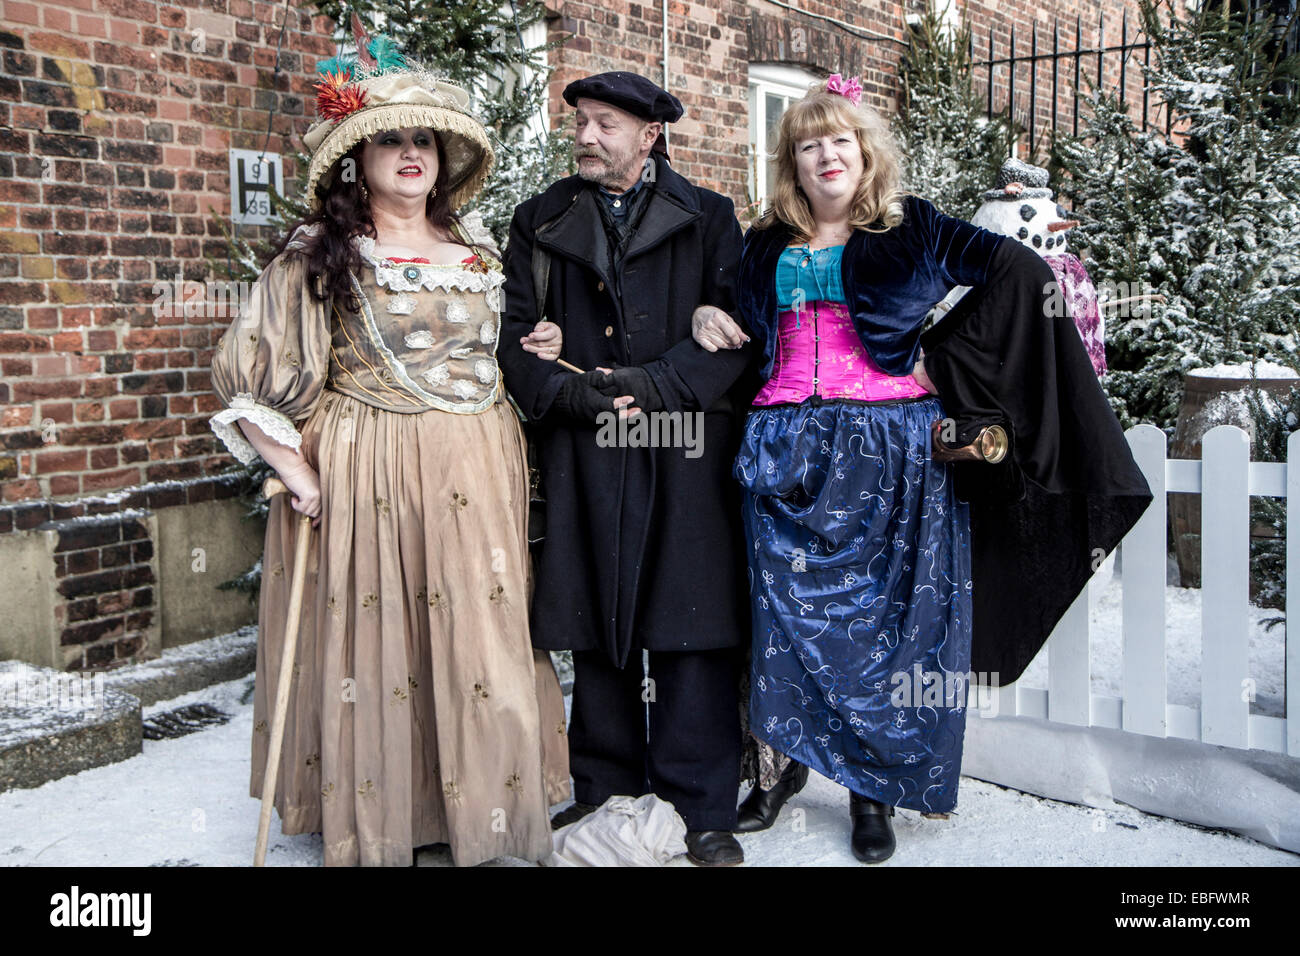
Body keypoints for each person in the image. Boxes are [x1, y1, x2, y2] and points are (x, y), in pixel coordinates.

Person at [693, 76, 1150, 863]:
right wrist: (707, 309)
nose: (826, 154)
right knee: (783, 618)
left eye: (840, 140)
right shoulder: (763, 240)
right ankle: (777, 772)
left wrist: (946, 361)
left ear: (865, 152)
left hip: (887, 447)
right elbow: (735, 315)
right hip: (780, 446)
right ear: (791, 162)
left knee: (885, 625)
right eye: (808, 144)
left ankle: (875, 790)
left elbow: (1023, 275)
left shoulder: (916, 227)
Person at [209, 37, 571, 866]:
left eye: (423, 142)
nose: (410, 155)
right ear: (356, 159)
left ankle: (474, 807)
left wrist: (538, 344)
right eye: (389, 140)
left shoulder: (478, 247)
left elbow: (498, 351)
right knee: (377, 643)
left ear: (443, 158)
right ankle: (385, 818)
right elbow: (249, 364)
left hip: (479, 460)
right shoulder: (320, 252)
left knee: (480, 637)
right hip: (368, 461)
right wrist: (293, 465)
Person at [496, 71, 755, 866]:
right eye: (580, 122)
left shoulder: (710, 217)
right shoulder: (538, 222)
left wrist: (654, 387)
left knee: (692, 623)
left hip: (686, 449)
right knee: (596, 618)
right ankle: (605, 788)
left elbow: (738, 335)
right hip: (586, 448)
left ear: (649, 136)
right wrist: (577, 401)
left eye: (605, 124)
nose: (584, 136)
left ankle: (700, 805)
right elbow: (510, 340)